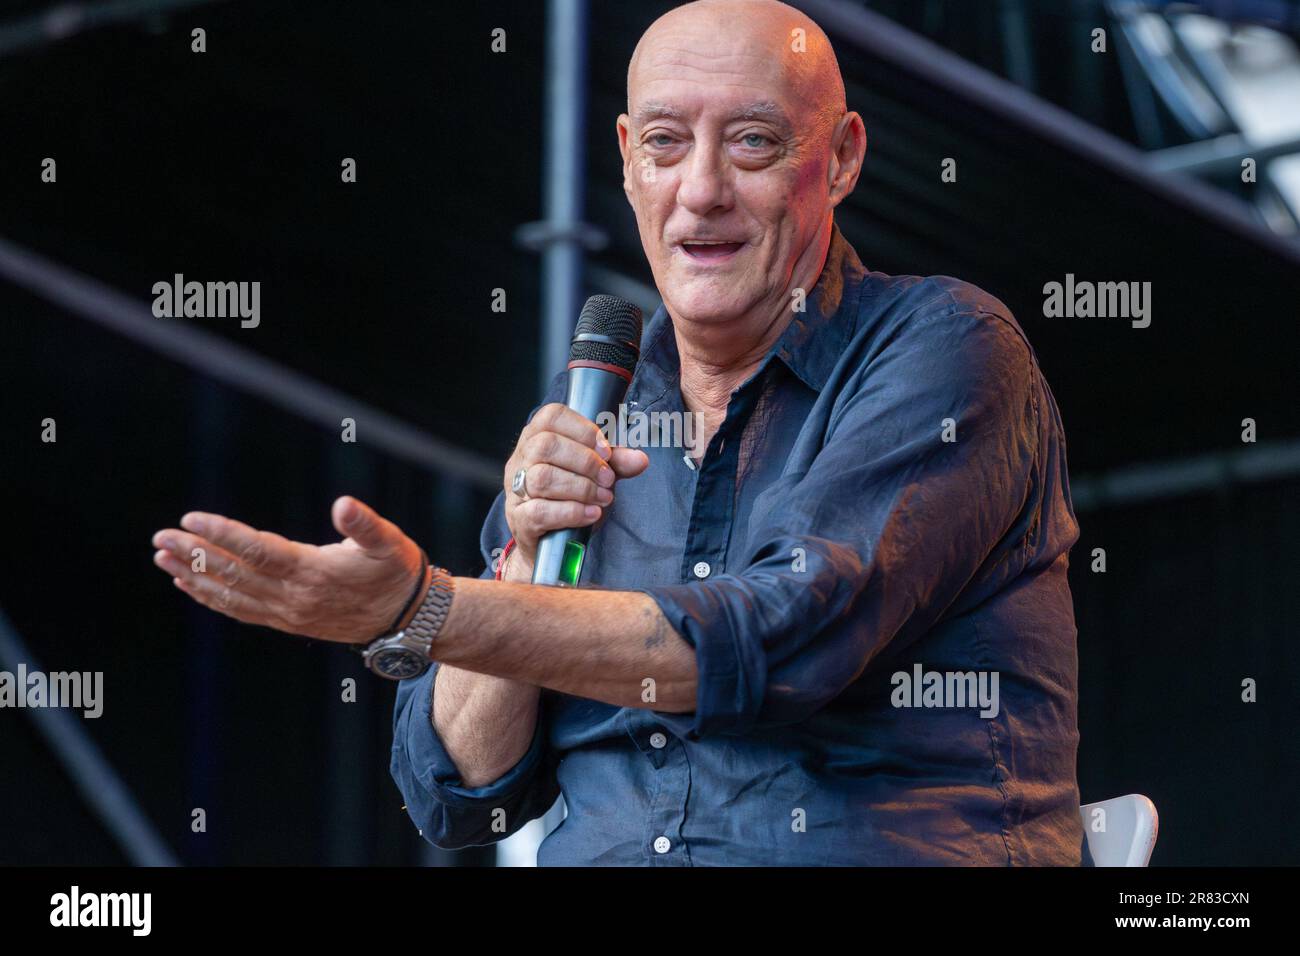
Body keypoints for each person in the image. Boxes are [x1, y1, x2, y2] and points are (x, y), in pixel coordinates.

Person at [150, 0, 1086, 865]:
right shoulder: (601, 402)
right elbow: (460, 793)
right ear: (628, 157)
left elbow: (784, 642)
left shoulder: (945, 346)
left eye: (753, 142)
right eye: (667, 145)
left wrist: (426, 612)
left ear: (839, 158)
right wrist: (523, 559)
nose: (702, 189)